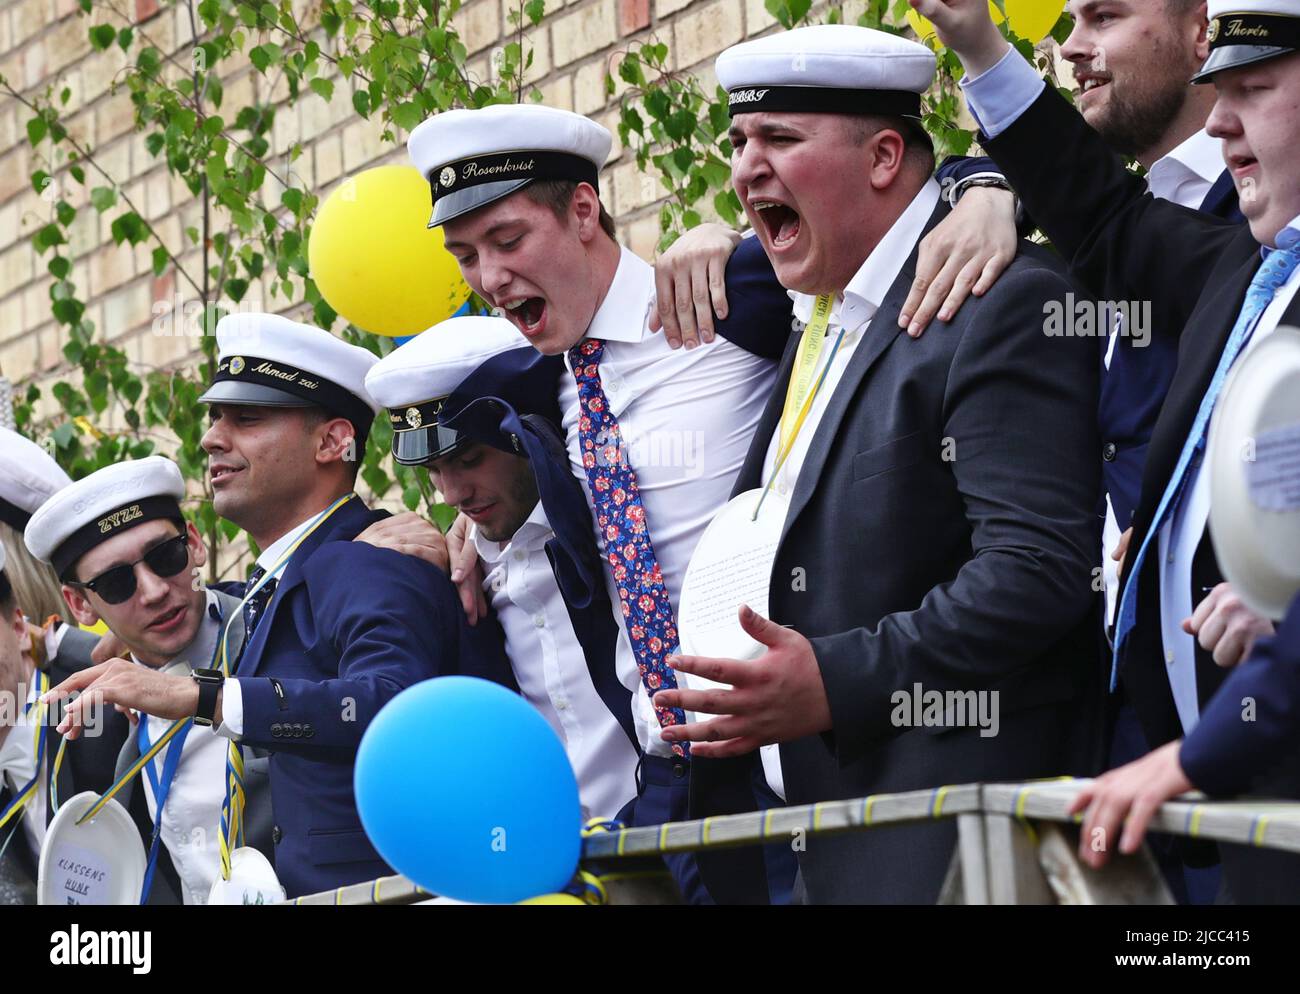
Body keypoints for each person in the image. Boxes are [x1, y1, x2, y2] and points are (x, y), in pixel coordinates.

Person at [641, 23, 1101, 904]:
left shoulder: (1000, 302)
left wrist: (832, 681)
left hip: (949, 855)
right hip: (803, 850)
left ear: (886, 156)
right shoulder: (821, 315)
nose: (744, 170)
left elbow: (1038, 571)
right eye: (738, 144)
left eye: (779, 139)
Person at [912, 0, 1300, 901]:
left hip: (1248, 771)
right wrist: (978, 63)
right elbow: (1099, 211)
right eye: (1219, 92)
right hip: (1177, 799)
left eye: (1256, 88)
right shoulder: (1243, 266)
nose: (1225, 120)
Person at [45, 313, 516, 899]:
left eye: (248, 419)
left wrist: (202, 696)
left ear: (332, 441)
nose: (213, 439)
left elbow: (394, 702)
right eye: (216, 418)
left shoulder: (368, 556)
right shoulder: (274, 588)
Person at [25, 456, 271, 904]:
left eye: (165, 556)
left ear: (194, 543)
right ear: (80, 605)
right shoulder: (103, 720)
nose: (155, 590)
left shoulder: (276, 634)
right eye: (117, 583)